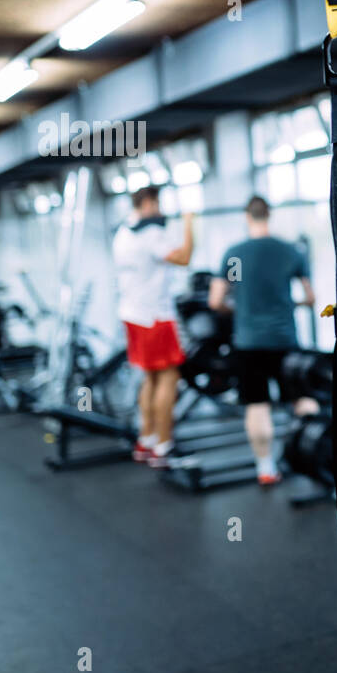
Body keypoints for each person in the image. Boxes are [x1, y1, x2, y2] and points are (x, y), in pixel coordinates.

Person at [207, 196, 318, 485]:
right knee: (302, 399)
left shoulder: (234, 253)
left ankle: (266, 468)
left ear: (248, 217)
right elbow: (310, 298)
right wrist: (289, 306)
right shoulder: (291, 251)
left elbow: (216, 300)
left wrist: (238, 307)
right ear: (269, 215)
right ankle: (315, 456)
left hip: (249, 342)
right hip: (285, 339)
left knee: (257, 404)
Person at [112, 185, 194, 467]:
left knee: (150, 378)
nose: (159, 209)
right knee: (168, 378)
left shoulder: (123, 232)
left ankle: (145, 440)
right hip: (154, 316)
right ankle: (163, 446)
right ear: (147, 203)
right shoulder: (151, 233)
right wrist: (188, 224)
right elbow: (184, 258)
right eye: (157, 203)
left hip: (132, 314)